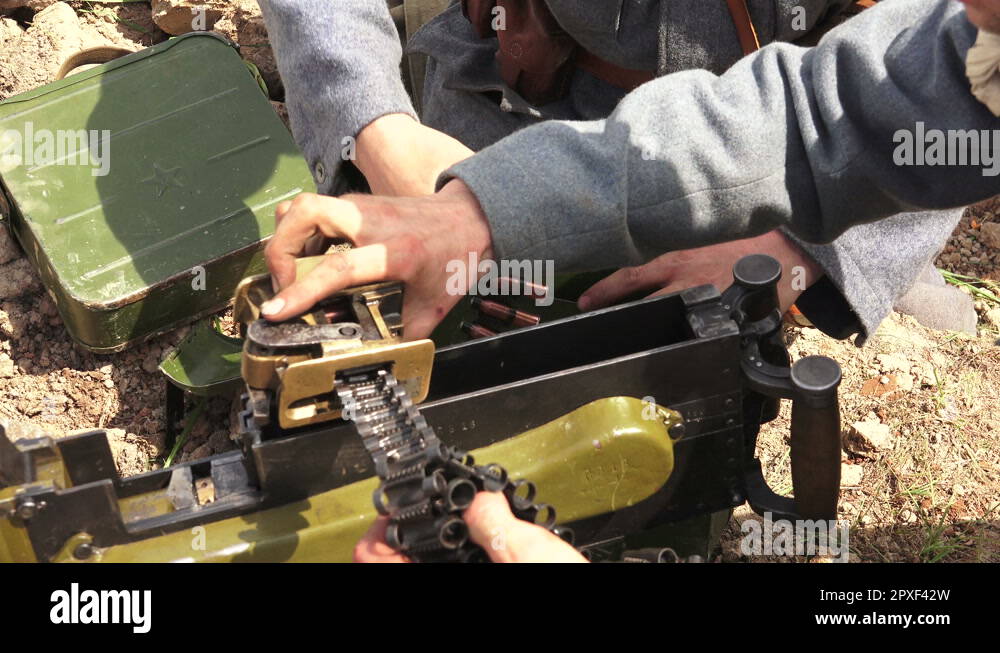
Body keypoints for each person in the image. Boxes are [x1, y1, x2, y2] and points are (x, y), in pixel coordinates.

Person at [259, 0, 999, 562]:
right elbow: (849, 106)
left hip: (793, 180)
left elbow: (924, 105)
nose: (964, 13)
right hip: (531, 116)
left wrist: (809, 249)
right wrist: (446, 182)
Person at [259, 0, 980, 342]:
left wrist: (813, 247)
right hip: (523, 84)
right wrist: (374, 124)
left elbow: (937, 73)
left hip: (814, 106)